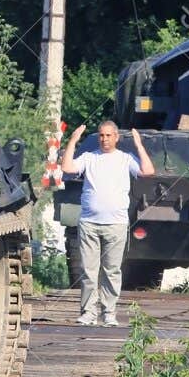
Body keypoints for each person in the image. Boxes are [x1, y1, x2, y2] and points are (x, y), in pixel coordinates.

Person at [61, 120, 155, 326]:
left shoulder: (125, 159)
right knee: (89, 271)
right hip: (89, 223)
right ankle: (88, 313)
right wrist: (73, 140)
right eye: (101, 135)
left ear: (116, 137)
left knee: (112, 271)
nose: (104, 139)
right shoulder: (89, 157)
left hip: (116, 224)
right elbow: (67, 167)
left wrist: (139, 146)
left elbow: (148, 171)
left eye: (108, 135)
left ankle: (109, 313)